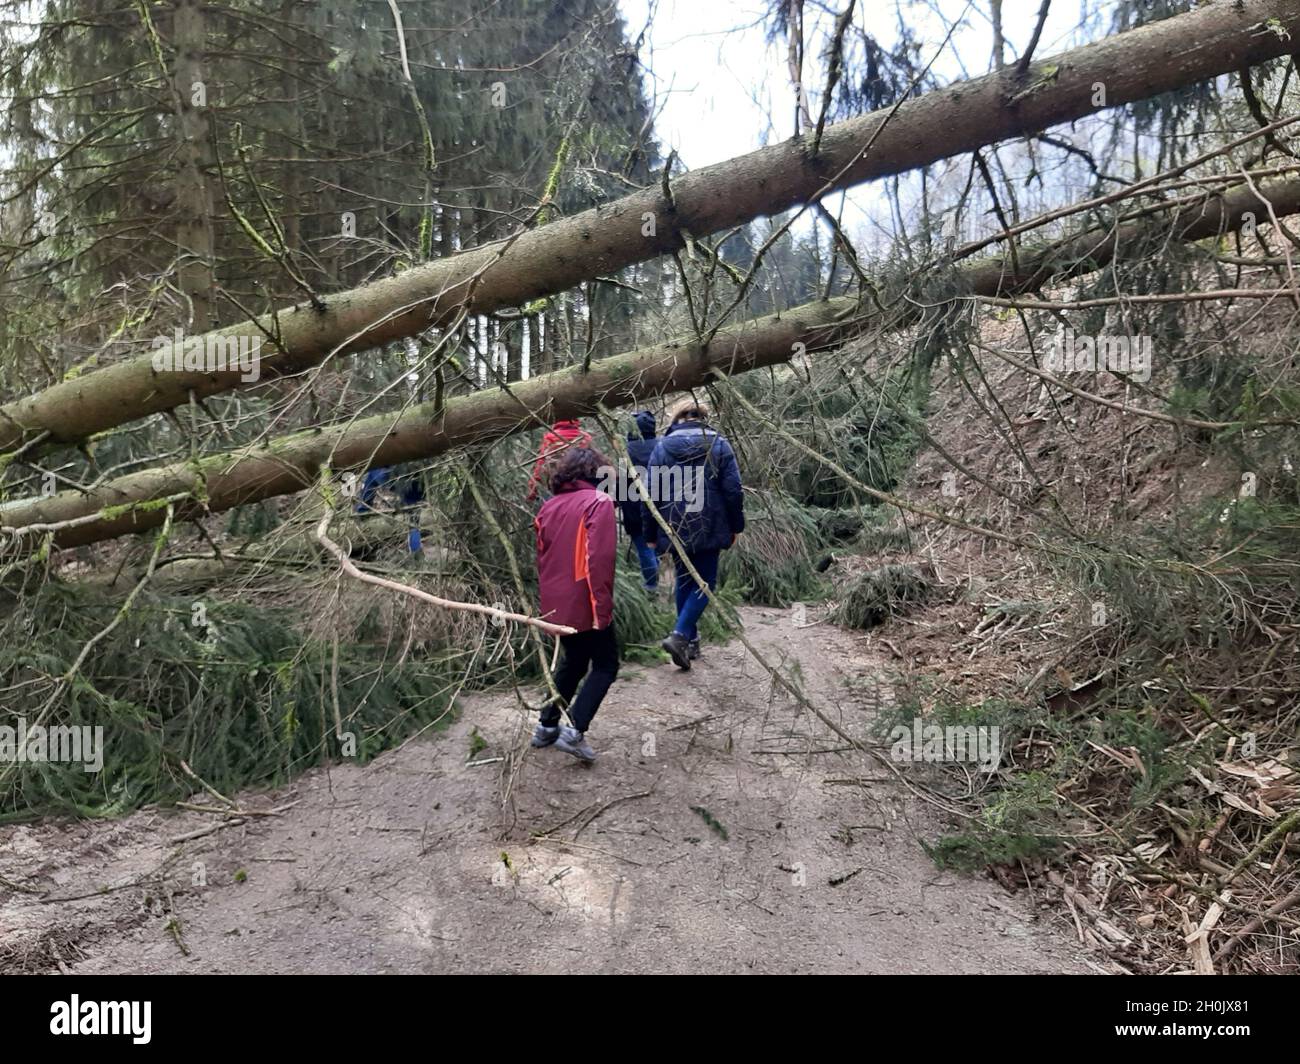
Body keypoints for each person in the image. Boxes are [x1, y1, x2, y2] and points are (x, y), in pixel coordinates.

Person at [642, 398, 744, 670]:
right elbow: (733, 490)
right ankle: (680, 635)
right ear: (703, 417)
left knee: (686, 581)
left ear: (677, 418)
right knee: (705, 583)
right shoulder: (719, 444)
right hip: (710, 522)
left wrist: (650, 532)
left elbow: (650, 494)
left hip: (674, 523)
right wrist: (736, 526)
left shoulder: (663, 447)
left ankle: (689, 640)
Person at [532, 446, 619, 762]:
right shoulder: (598, 503)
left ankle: (546, 726)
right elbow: (600, 560)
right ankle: (574, 730)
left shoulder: (549, 507)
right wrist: (601, 610)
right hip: (586, 602)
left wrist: (549, 606)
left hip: (557, 603)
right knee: (607, 664)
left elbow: (544, 561)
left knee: (575, 660)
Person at [619, 410, 660, 593]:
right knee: (658, 545)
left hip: (635, 509)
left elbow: (621, 482)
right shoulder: (662, 447)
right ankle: (659, 582)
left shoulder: (626, 451)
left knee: (644, 549)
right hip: (662, 506)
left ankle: (651, 586)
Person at [355, 465, 425, 554]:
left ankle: (363, 509)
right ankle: (416, 551)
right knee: (414, 522)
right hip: (418, 482)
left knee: (372, 472)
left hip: (398, 478)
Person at [526, 417, 593, 502]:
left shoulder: (550, 437)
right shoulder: (585, 437)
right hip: (583, 482)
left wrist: (533, 486)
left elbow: (541, 463)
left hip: (557, 484)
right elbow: (595, 461)